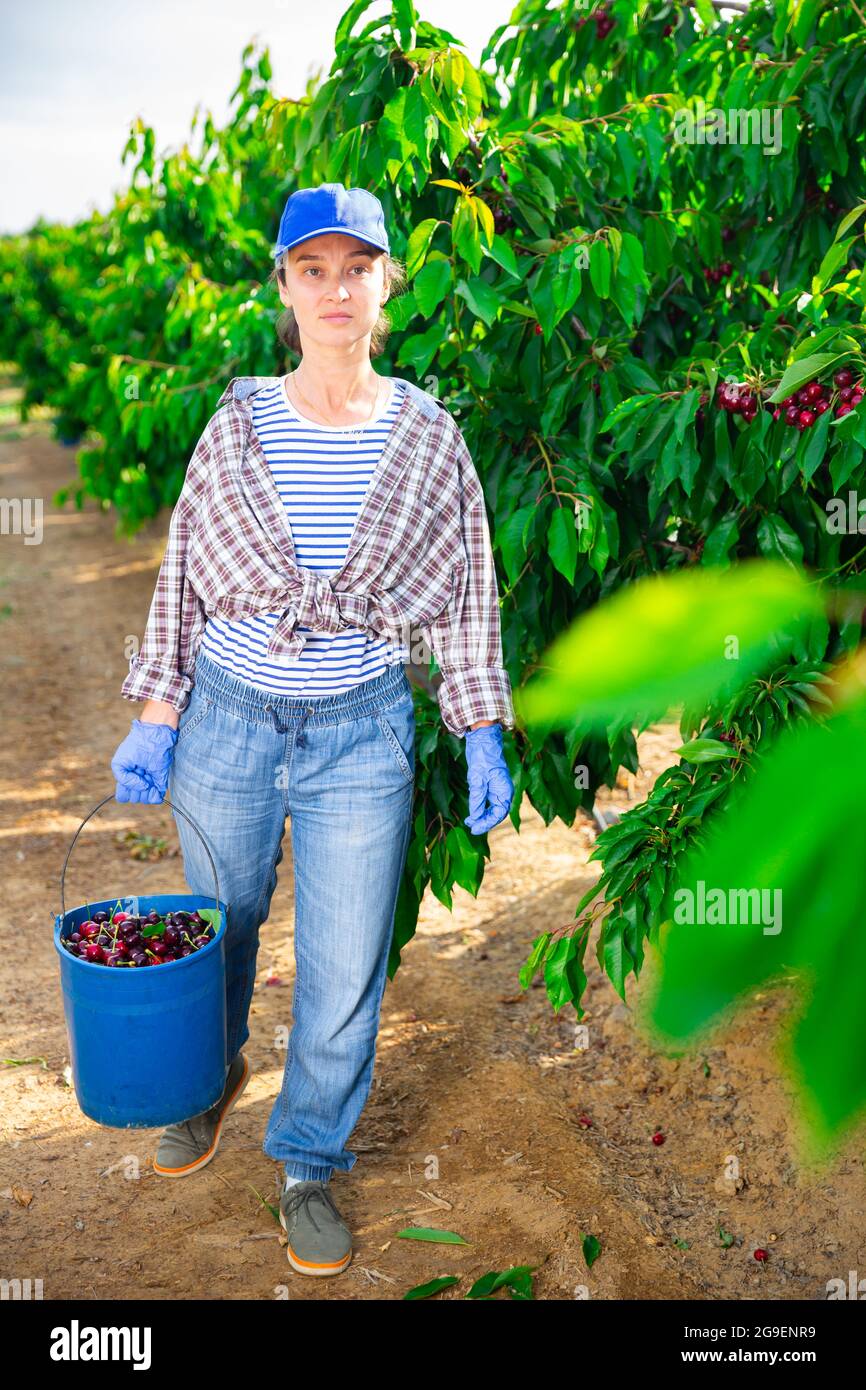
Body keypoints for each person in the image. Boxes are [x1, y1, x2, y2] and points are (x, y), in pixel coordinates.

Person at [110, 182, 515, 1278]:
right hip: (229, 722)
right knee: (219, 925)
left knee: (342, 964)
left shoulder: (428, 438)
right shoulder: (236, 424)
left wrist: (480, 724)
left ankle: (305, 1160)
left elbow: (470, 585)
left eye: (356, 268)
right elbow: (182, 573)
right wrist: (159, 715)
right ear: (284, 288)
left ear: (388, 282)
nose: (335, 289)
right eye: (312, 269)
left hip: (359, 730)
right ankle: (206, 1082)